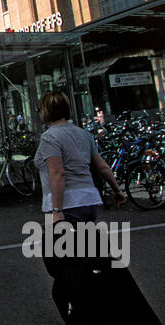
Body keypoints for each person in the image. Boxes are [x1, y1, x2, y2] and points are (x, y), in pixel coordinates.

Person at [33, 90, 123, 234]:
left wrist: (57, 210)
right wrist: (117, 190)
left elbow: (57, 173)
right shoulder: (83, 134)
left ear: (45, 111)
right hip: (89, 199)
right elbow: (102, 167)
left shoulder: (49, 138)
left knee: (63, 252)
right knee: (85, 247)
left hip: (67, 202)